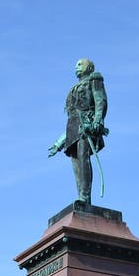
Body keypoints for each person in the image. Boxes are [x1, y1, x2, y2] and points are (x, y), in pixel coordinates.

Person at [48, 58, 108, 206]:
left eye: (80, 64)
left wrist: (97, 120)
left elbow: (101, 101)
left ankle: (85, 197)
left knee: (83, 157)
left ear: (89, 67)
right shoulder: (73, 88)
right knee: (76, 164)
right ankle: (81, 196)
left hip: (87, 126)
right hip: (73, 128)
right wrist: (58, 143)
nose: (76, 67)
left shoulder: (94, 80)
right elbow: (73, 118)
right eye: (76, 65)